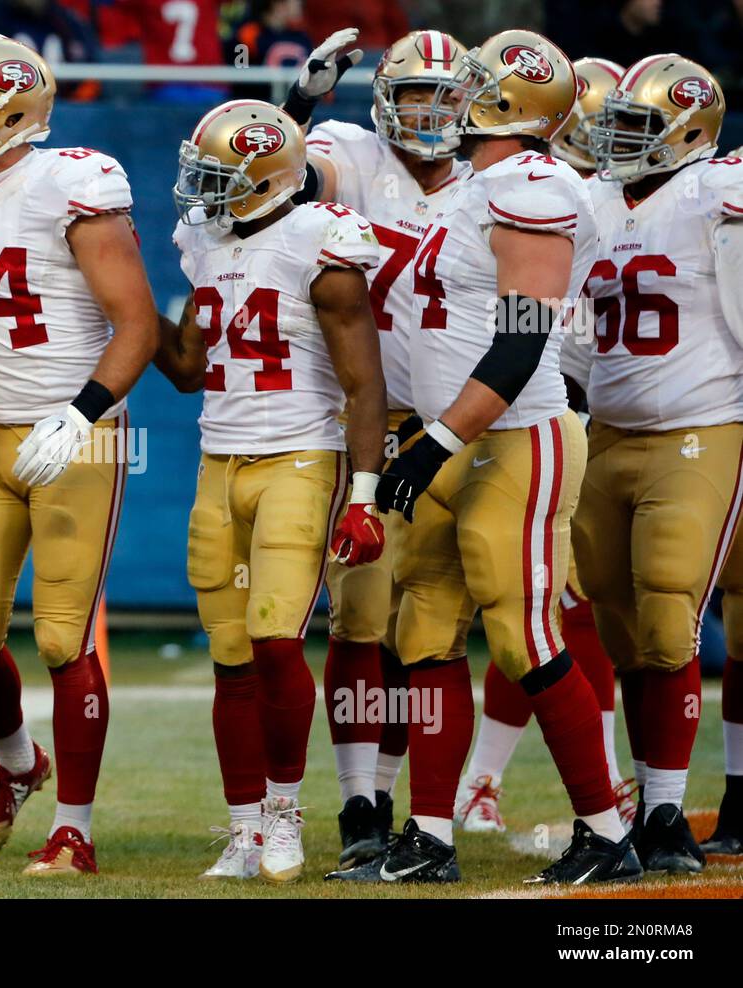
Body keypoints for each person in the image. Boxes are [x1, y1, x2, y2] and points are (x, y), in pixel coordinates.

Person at [344, 30, 641, 886]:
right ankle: (429, 835)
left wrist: (430, 445)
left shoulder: (535, 188)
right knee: (424, 629)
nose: (448, 101)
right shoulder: (483, 185)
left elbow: (518, 349)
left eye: (471, 88)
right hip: (452, 438)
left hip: (514, 439)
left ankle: (604, 832)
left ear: (512, 105)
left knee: (522, 634)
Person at [0, 35, 158, 875]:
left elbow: (138, 324)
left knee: (62, 638)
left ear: (9, 111)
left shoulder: (71, 182)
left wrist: (82, 414)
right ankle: (19, 768)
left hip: (70, 435)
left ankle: (75, 830)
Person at [155, 99, 387, 883]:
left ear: (263, 180)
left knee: (276, 638)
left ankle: (285, 814)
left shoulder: (319, 238)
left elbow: (364, 385)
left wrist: (363, 493)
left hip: (299, 456)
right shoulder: (206, 241)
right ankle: (244, 828)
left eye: (217, 175)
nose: (200, 189)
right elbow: (188, 369)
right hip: (218, 461)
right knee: (229, 654)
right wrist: (117, 301)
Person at [280, 27, 475, 870]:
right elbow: (274, 172)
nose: (428, 111)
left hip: (454, 428)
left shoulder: (497, 183)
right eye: (414, 93)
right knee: (358, 619)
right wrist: (299, 99)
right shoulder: (354, 157)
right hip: (365, 422)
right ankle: (361, 801)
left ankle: (416, 803)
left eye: (443, 94)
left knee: (429, 627)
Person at [455, 57, 636, 835]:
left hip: (550, 404)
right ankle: (480, 787)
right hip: (539, 397)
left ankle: (603, 804)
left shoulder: (546, 191)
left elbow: (530, 332)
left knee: (559, 610)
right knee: (532, 609)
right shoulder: (519, 184)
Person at [573, 55, 738, 874]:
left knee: (671, 612)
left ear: (691, 133)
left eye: (638, 126)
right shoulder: (594, 198)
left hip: (700, 427)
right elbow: (568, 326)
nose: (617, 140)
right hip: (607, 431)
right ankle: (649, 798)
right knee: (621, 625)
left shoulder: (717, 195)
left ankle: (669, 817)